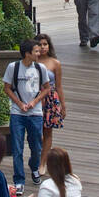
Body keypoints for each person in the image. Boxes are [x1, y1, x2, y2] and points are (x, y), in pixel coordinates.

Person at [3, 40, 51, 197]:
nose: (39, 53)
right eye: (36, 51)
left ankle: (34, 166)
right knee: (17, 148)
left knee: (36, 146)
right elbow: (7, 88)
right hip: (17, 112)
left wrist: (34, 102)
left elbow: (47, 88)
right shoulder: (13, 67)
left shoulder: (40, 68)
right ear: (27, 54)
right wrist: (19, 103)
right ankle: (19, 180)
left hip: (35, 113)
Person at [33, 34, 65, 172]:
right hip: (34, 97)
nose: (43, 47)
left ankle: (42, 163)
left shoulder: (55, 63)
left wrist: (63, 105)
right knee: (34, 131)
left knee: (47, 131)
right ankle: (35, 157)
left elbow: (59, 86)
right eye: (40, 44)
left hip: (50, 98)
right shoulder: (31, 61)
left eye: (45, 44)